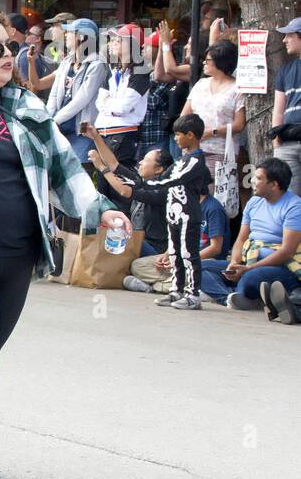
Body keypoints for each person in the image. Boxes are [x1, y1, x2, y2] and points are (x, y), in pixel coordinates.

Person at [0, 8, 129, 479]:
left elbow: (65, 168)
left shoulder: (27, 106)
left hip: (21, 255)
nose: (11, 55)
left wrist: (101, 210)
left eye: (11, 47)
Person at [87, 114, 211, 309]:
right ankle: (175, 291)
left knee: (187, 254)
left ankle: (193, 294)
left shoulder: (195, 162)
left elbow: (168, 181)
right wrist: (96, 137)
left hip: (187, 214)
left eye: (179, 135)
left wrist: (103, 169)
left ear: (191, 135)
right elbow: (117, 167)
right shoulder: (178, 162)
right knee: (176, 254)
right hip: (173, 214)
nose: (176, 139)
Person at [202, 158, 301, 310]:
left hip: (280, 266)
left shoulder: (294, 207)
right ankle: (230, 297)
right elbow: (241, 239)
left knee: (249, 279)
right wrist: (234, 262)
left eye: (259, 178)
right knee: (198, 267)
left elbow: (287, 251)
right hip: (248, 261)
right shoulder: (253, 202)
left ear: (274, 185)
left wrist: (248, 269)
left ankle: (241, 294)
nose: (252, 180)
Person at [91, 24, 151, 210]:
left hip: (123, 136)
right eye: (114, 39)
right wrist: (111, 105)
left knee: (118, 188)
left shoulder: (140, 71)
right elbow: (99, 102)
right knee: (102, 186)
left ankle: (121, 235)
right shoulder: (114, 69)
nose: (114, 43)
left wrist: (110, 104)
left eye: (120, 39)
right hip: (104, 134)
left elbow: (123, 107)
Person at [45, 17, 106, 164]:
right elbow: (54, 94)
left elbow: (82, 99)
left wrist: (55, 120)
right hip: (59, 128)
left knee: (79, 172)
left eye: (70, 32)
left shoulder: (97, 64)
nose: (66, 35)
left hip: (81, 132)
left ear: (82, 36)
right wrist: (47, 118)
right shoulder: (67, 61)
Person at [181, 39, 244, 179]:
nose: (204, 62)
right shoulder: (201, 84)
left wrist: (212, 132)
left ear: (220, 62)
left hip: (221, 151)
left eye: (208, 60)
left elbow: (239, 124)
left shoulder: (237, 89)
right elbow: (185, 115)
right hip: (193, 148)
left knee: (213, 194)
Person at [269, 16, 301, 196]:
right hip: (287, 143)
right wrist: (276, 137)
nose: (284, 40)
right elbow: (278, 109)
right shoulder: (285, 70)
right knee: (289, 197)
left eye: (289, 35)